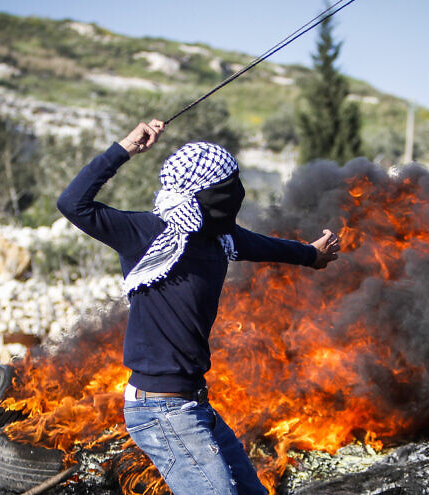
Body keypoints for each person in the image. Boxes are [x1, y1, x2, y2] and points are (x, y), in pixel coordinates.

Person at [57, 119, 340, 495]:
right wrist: (124, 148)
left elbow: (261, 245)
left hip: (193, 403)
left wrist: (310, 255)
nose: (235, 195)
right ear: (203, 194)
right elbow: (72, 203)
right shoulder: (147, 235)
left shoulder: (219, 238)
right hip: (159, 409)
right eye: (227, 188)